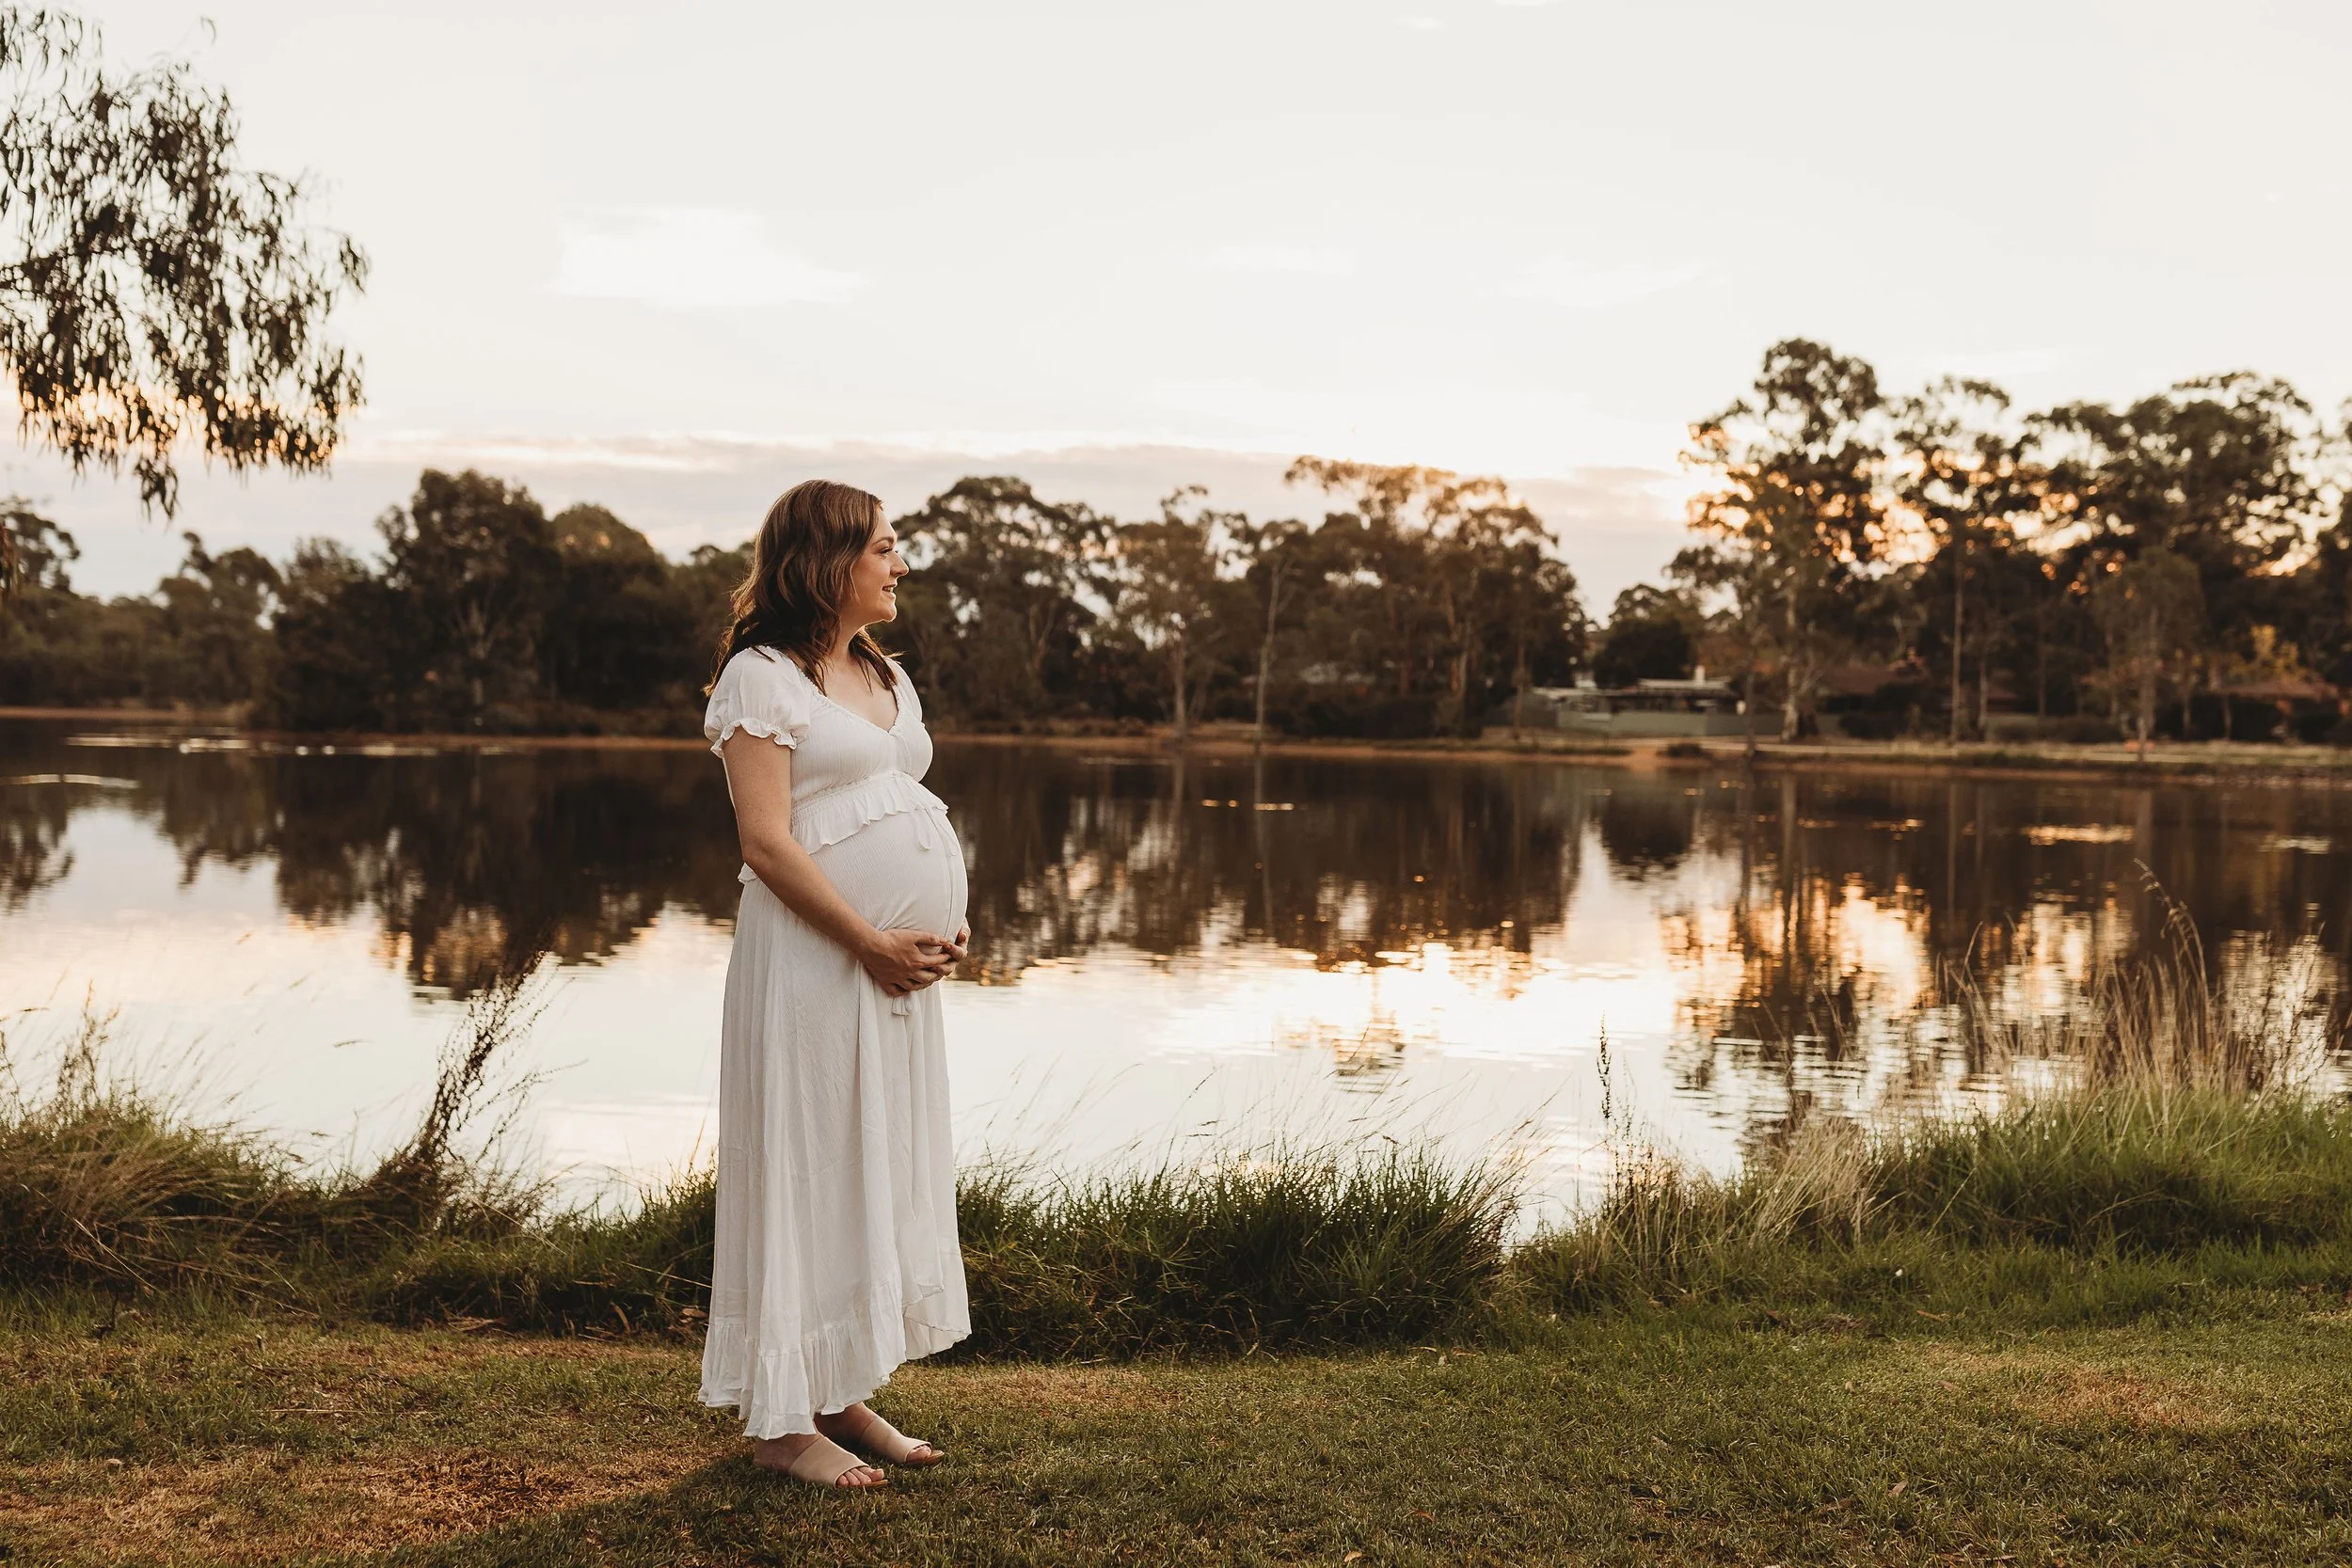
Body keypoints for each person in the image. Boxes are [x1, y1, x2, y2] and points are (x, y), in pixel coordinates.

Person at [697, 479, 972, 1490]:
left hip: (892, 967)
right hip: (817, 957)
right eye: (886, 548)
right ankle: (780, 1423)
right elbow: (766, 840)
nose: (900, 565)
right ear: (828, 559)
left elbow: (900, 800)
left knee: (871, 1159)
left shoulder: (881, 672)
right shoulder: (761, 676)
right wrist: (867, 937)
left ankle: (837, 1385)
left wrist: (944, 913)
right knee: (807, 1158)